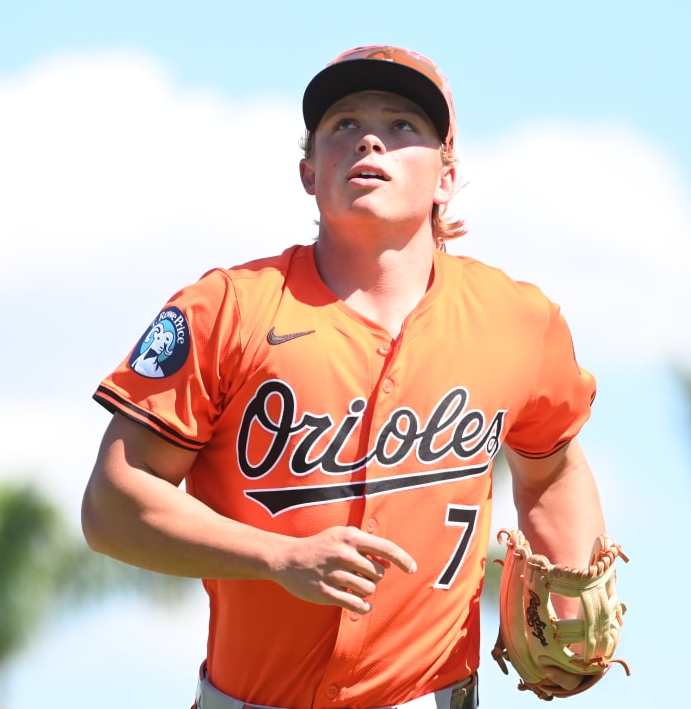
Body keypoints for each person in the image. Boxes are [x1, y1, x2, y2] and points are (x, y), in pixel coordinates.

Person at [81, 46, 610, 709]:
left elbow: (552, 466)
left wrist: (574, 591)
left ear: (446, 176)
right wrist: (277, 556)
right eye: (342, 125)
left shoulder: (515, 321)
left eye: (403, 126)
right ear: (309, 172)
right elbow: (113, 503)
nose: (369, 137)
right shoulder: (226, 308)